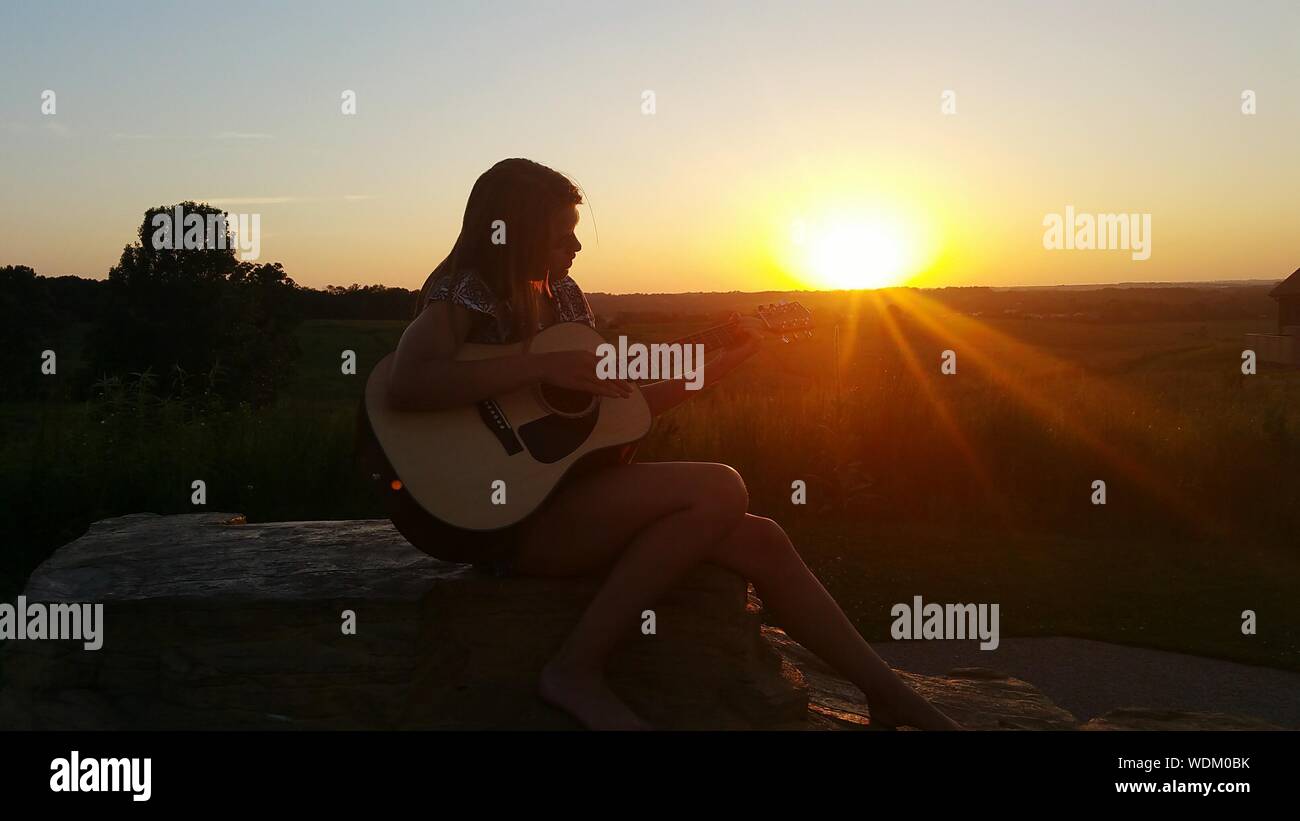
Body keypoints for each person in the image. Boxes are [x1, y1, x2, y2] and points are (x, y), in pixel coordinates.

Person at [384, 158, 960, 730]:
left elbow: (611, 414)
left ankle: (888, 694)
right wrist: (540, 362)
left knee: (760, 537)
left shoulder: (564, 300)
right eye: (564, 236)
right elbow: (409, 384)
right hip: (504, 520)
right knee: (719, 486)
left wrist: (717, 367)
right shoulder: (463, 292)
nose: (577, 247)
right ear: (516, 231)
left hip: (567, 500)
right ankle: (574, 671)